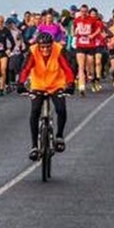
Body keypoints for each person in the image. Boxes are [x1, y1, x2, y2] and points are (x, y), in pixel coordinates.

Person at [17, 31, 74, 161]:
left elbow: (67, 68)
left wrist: (70, 84)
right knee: (35, 111)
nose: (45, 49)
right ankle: (34, 146)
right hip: (38, 85)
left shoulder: (58, 50)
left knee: (61, 109)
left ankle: (59, 136)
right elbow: (25, 69)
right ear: (38, 46)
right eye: (42, 47)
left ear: (52, 45)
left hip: (56, 84)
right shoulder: (33, 51)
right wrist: (21, 84)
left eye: (48, 46)